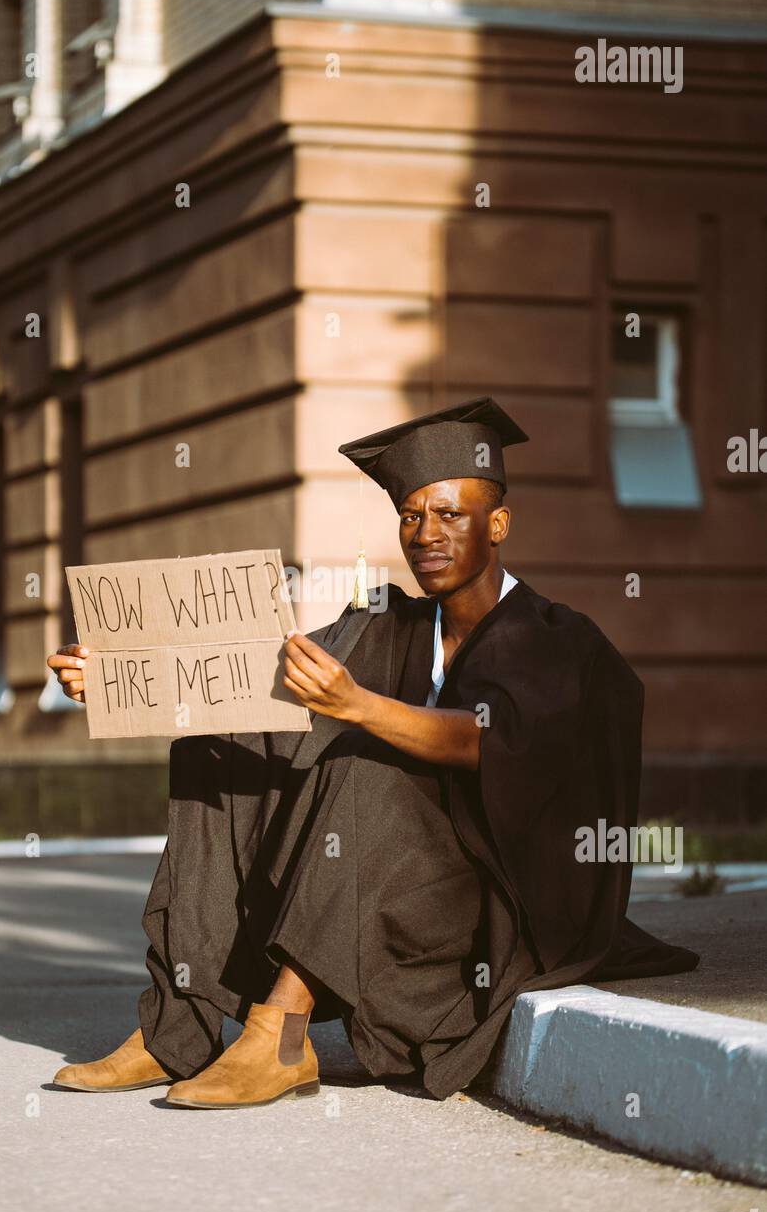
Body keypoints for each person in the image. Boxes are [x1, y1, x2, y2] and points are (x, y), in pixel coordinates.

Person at [45, 397, 699, 1109]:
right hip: (392, 881)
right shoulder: (391, 624)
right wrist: (114, 678)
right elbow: (265, 684)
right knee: (217, 743)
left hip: (498, 904)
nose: (426, 534)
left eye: (450, 514)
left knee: (369, 759)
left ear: (498, 524)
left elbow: (485, 739)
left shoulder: (554, 639)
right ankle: (176, 1030)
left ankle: (282, 1042)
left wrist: (358, 706)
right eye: (411, 516)